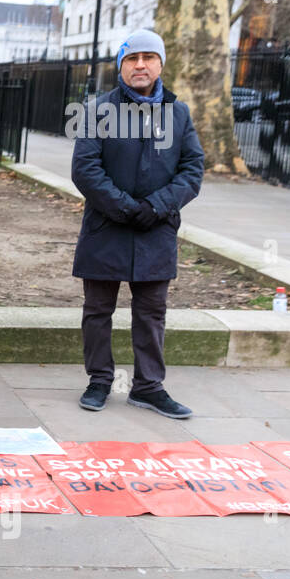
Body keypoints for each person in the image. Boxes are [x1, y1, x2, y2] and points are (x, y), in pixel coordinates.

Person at [71, 28, 203, 418]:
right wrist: (129, 208)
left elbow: (192, 169)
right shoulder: (98, 110)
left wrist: (157, 207)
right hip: (106, 230)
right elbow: (86, 169)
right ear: (121, 66)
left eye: (148, 57)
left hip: (156, 232)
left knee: (151, 313)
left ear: (161, 63)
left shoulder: (178, 114)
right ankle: (99, 380)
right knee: (97, 310)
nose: (140, 65)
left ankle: (148, 387)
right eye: (132, 58)